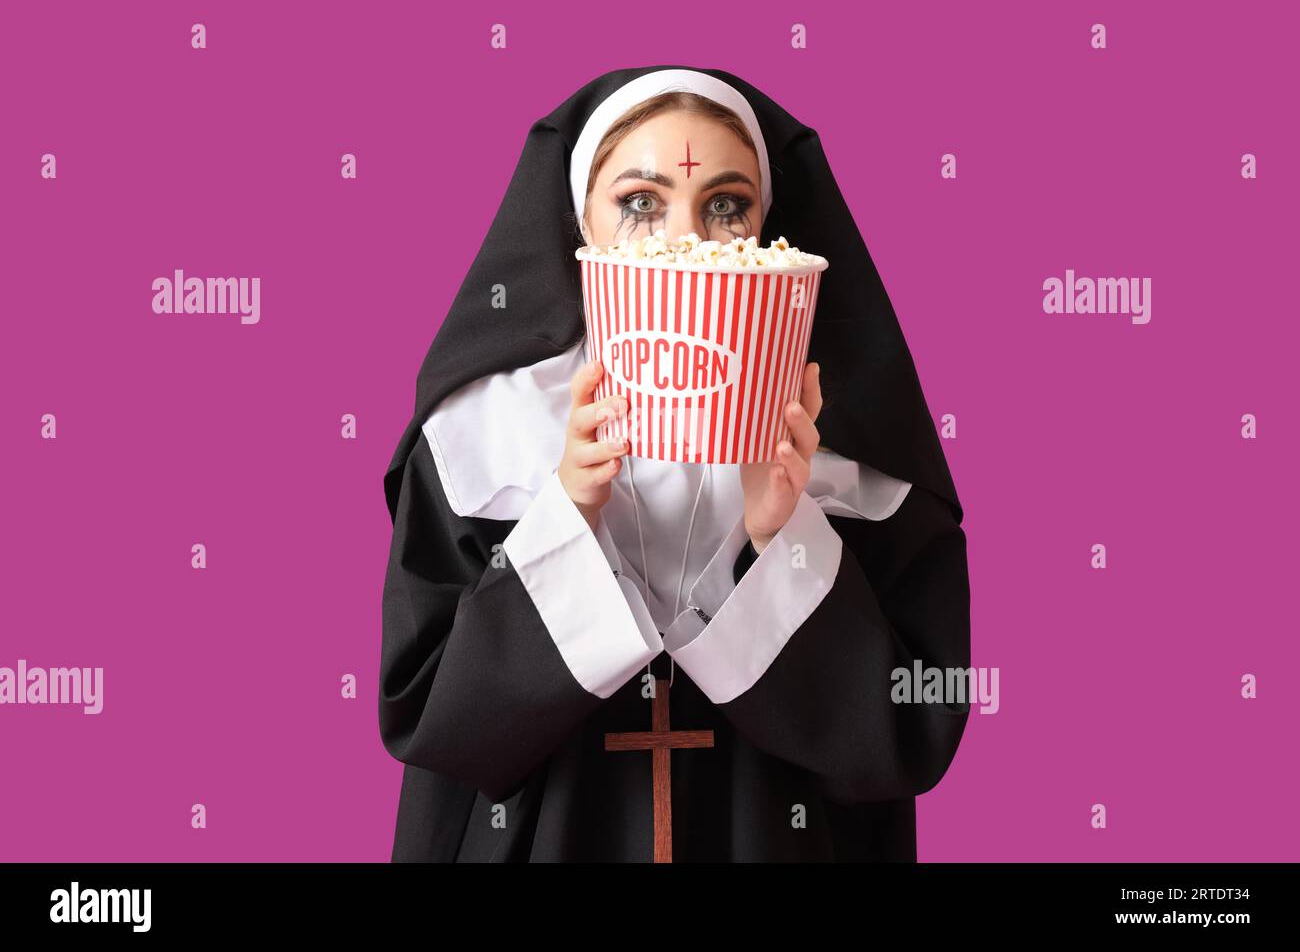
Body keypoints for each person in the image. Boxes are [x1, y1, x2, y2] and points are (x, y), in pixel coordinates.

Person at [379, 65, 970, 861]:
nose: (684, 243)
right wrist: (566, 515)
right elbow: (433, 724)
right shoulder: (479, 438)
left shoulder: (855, 466)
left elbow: (909, 738)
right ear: (579, 227)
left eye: (726, 206)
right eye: (639, 205)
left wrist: (782, 532)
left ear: (769, 232)